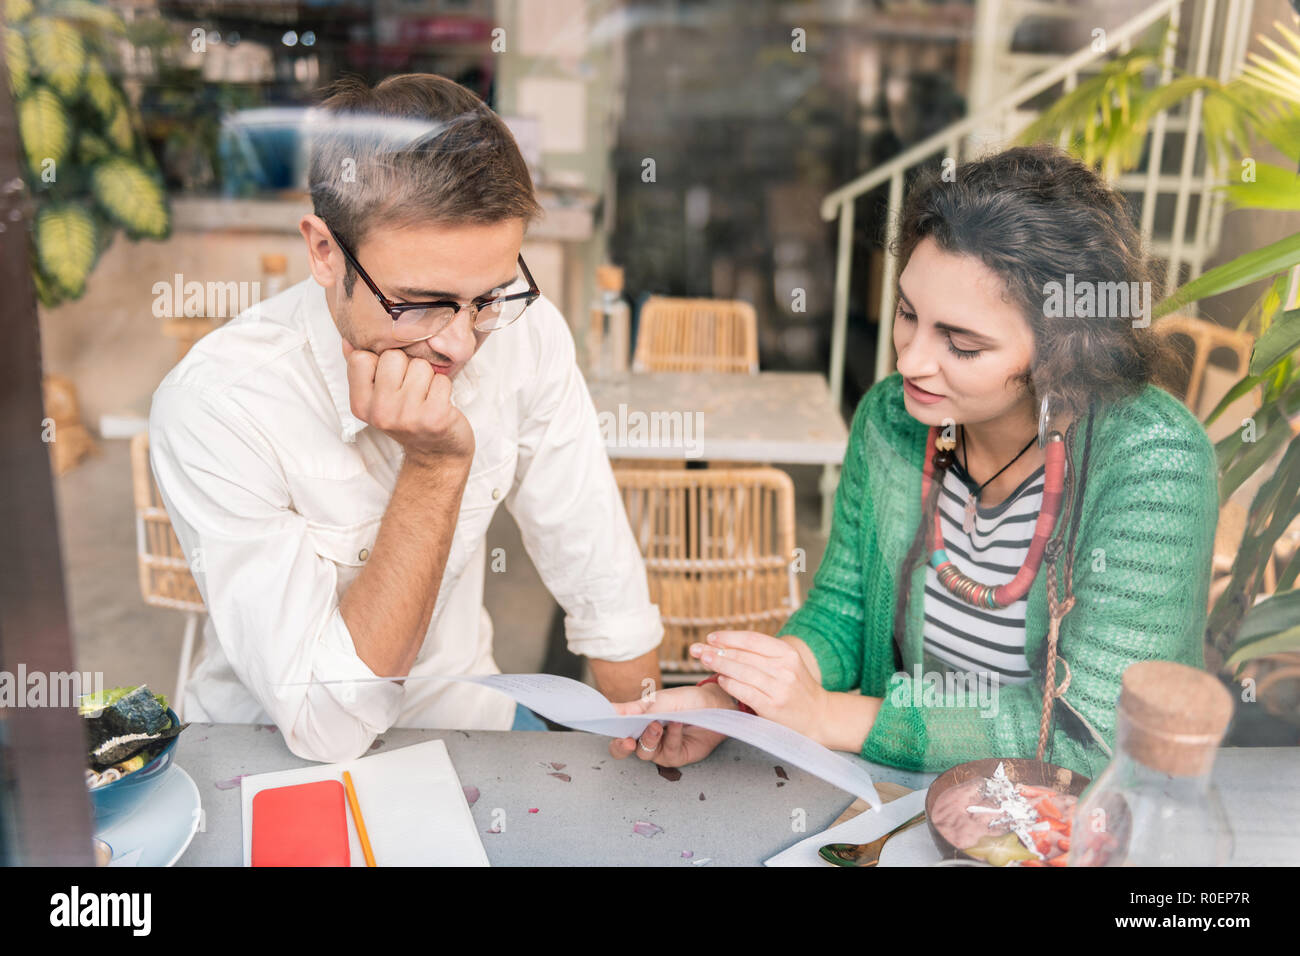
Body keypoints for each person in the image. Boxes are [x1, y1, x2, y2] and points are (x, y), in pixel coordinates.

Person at [612, 145, 1218, 777]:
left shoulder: (1154, 461)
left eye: (960, 342)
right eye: (907, 314)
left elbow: (1090, 737)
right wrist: (741, 702)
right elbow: (844, 610)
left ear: (1068, 351)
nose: (909, 362)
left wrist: (829, 717)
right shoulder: (893, 419)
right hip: (903, 802)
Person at [150, 74, 663, 762]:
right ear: (326, 251)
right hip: (266, 750)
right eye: (419, 302)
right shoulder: (219, 404)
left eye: (487, 296)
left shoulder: (522, 335)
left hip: (466, 720)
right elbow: (326, 724)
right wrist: (436, 465)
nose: (459, 341)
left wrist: (651, 731)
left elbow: (597, 570)